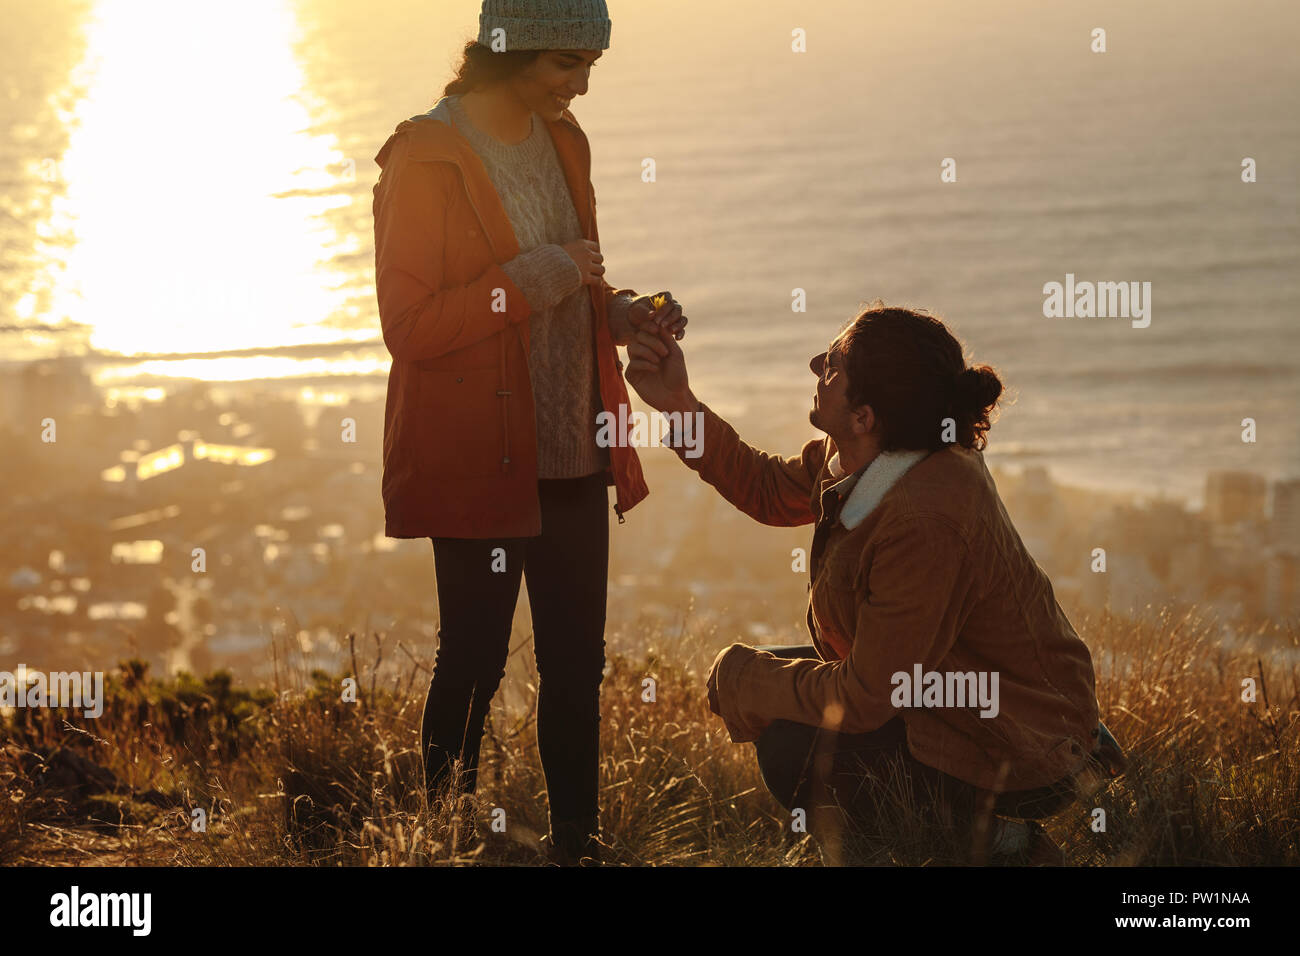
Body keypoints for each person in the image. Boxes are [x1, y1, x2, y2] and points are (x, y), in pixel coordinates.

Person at [624, 302, 1127, 864]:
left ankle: (1008, 847)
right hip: (949, 698)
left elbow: (863, 700)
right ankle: (902, 843)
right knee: (792, 709)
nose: (816, 365)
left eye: (832, 366)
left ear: (864, 416)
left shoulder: (925, 518)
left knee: (794, 744)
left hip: (1026, 744)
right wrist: (677, 404)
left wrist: (747, 679)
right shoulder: (871, 456)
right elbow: (767, 488)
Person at [370, 0, 688, 865]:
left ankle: (578, 851)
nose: (580, 87)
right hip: (481, 456)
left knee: (577, 669)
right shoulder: (424, 157)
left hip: (577, 447)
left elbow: (569, 286)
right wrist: (532, 280)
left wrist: (619, 314)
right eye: (564, 67)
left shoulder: (564, 140)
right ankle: (436, 845)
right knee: (472, 665)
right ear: (508, 52)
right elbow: (411, 327)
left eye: (590, 68)